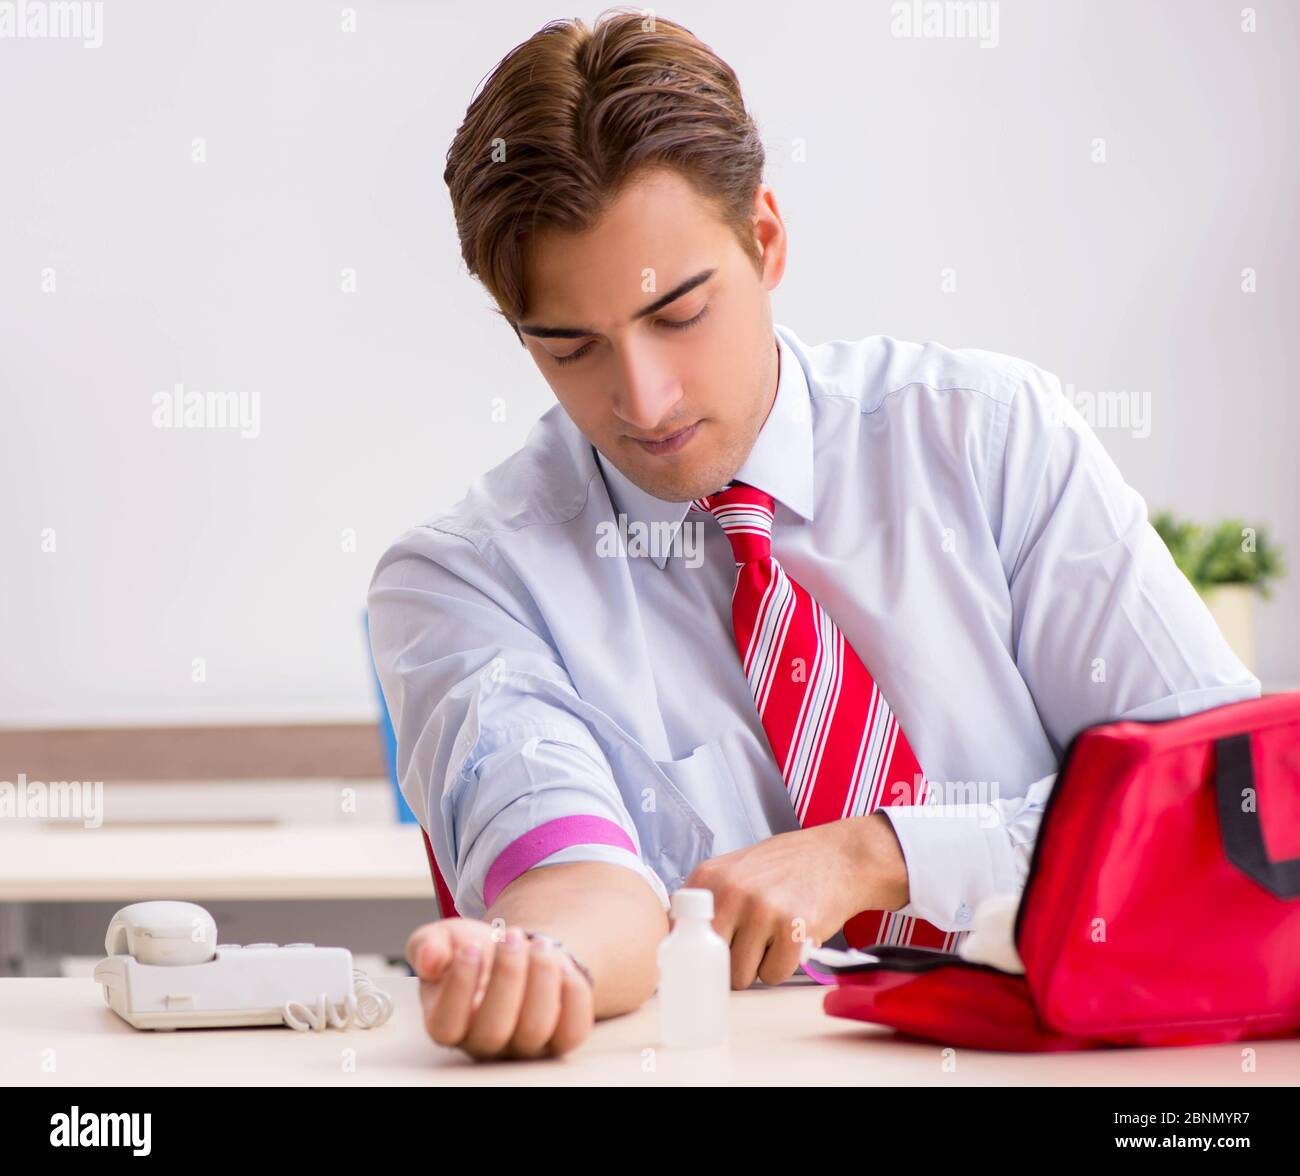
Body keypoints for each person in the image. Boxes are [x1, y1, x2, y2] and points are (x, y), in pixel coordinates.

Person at [367, 9, 1259, 1062]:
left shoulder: (986, 435)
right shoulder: (466, 580)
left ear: (765, 241)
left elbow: (1225, 811)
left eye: (678, 315)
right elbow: (576, 875)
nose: (642, 400)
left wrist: (882, 856)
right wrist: (538, 962)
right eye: (570, 348)